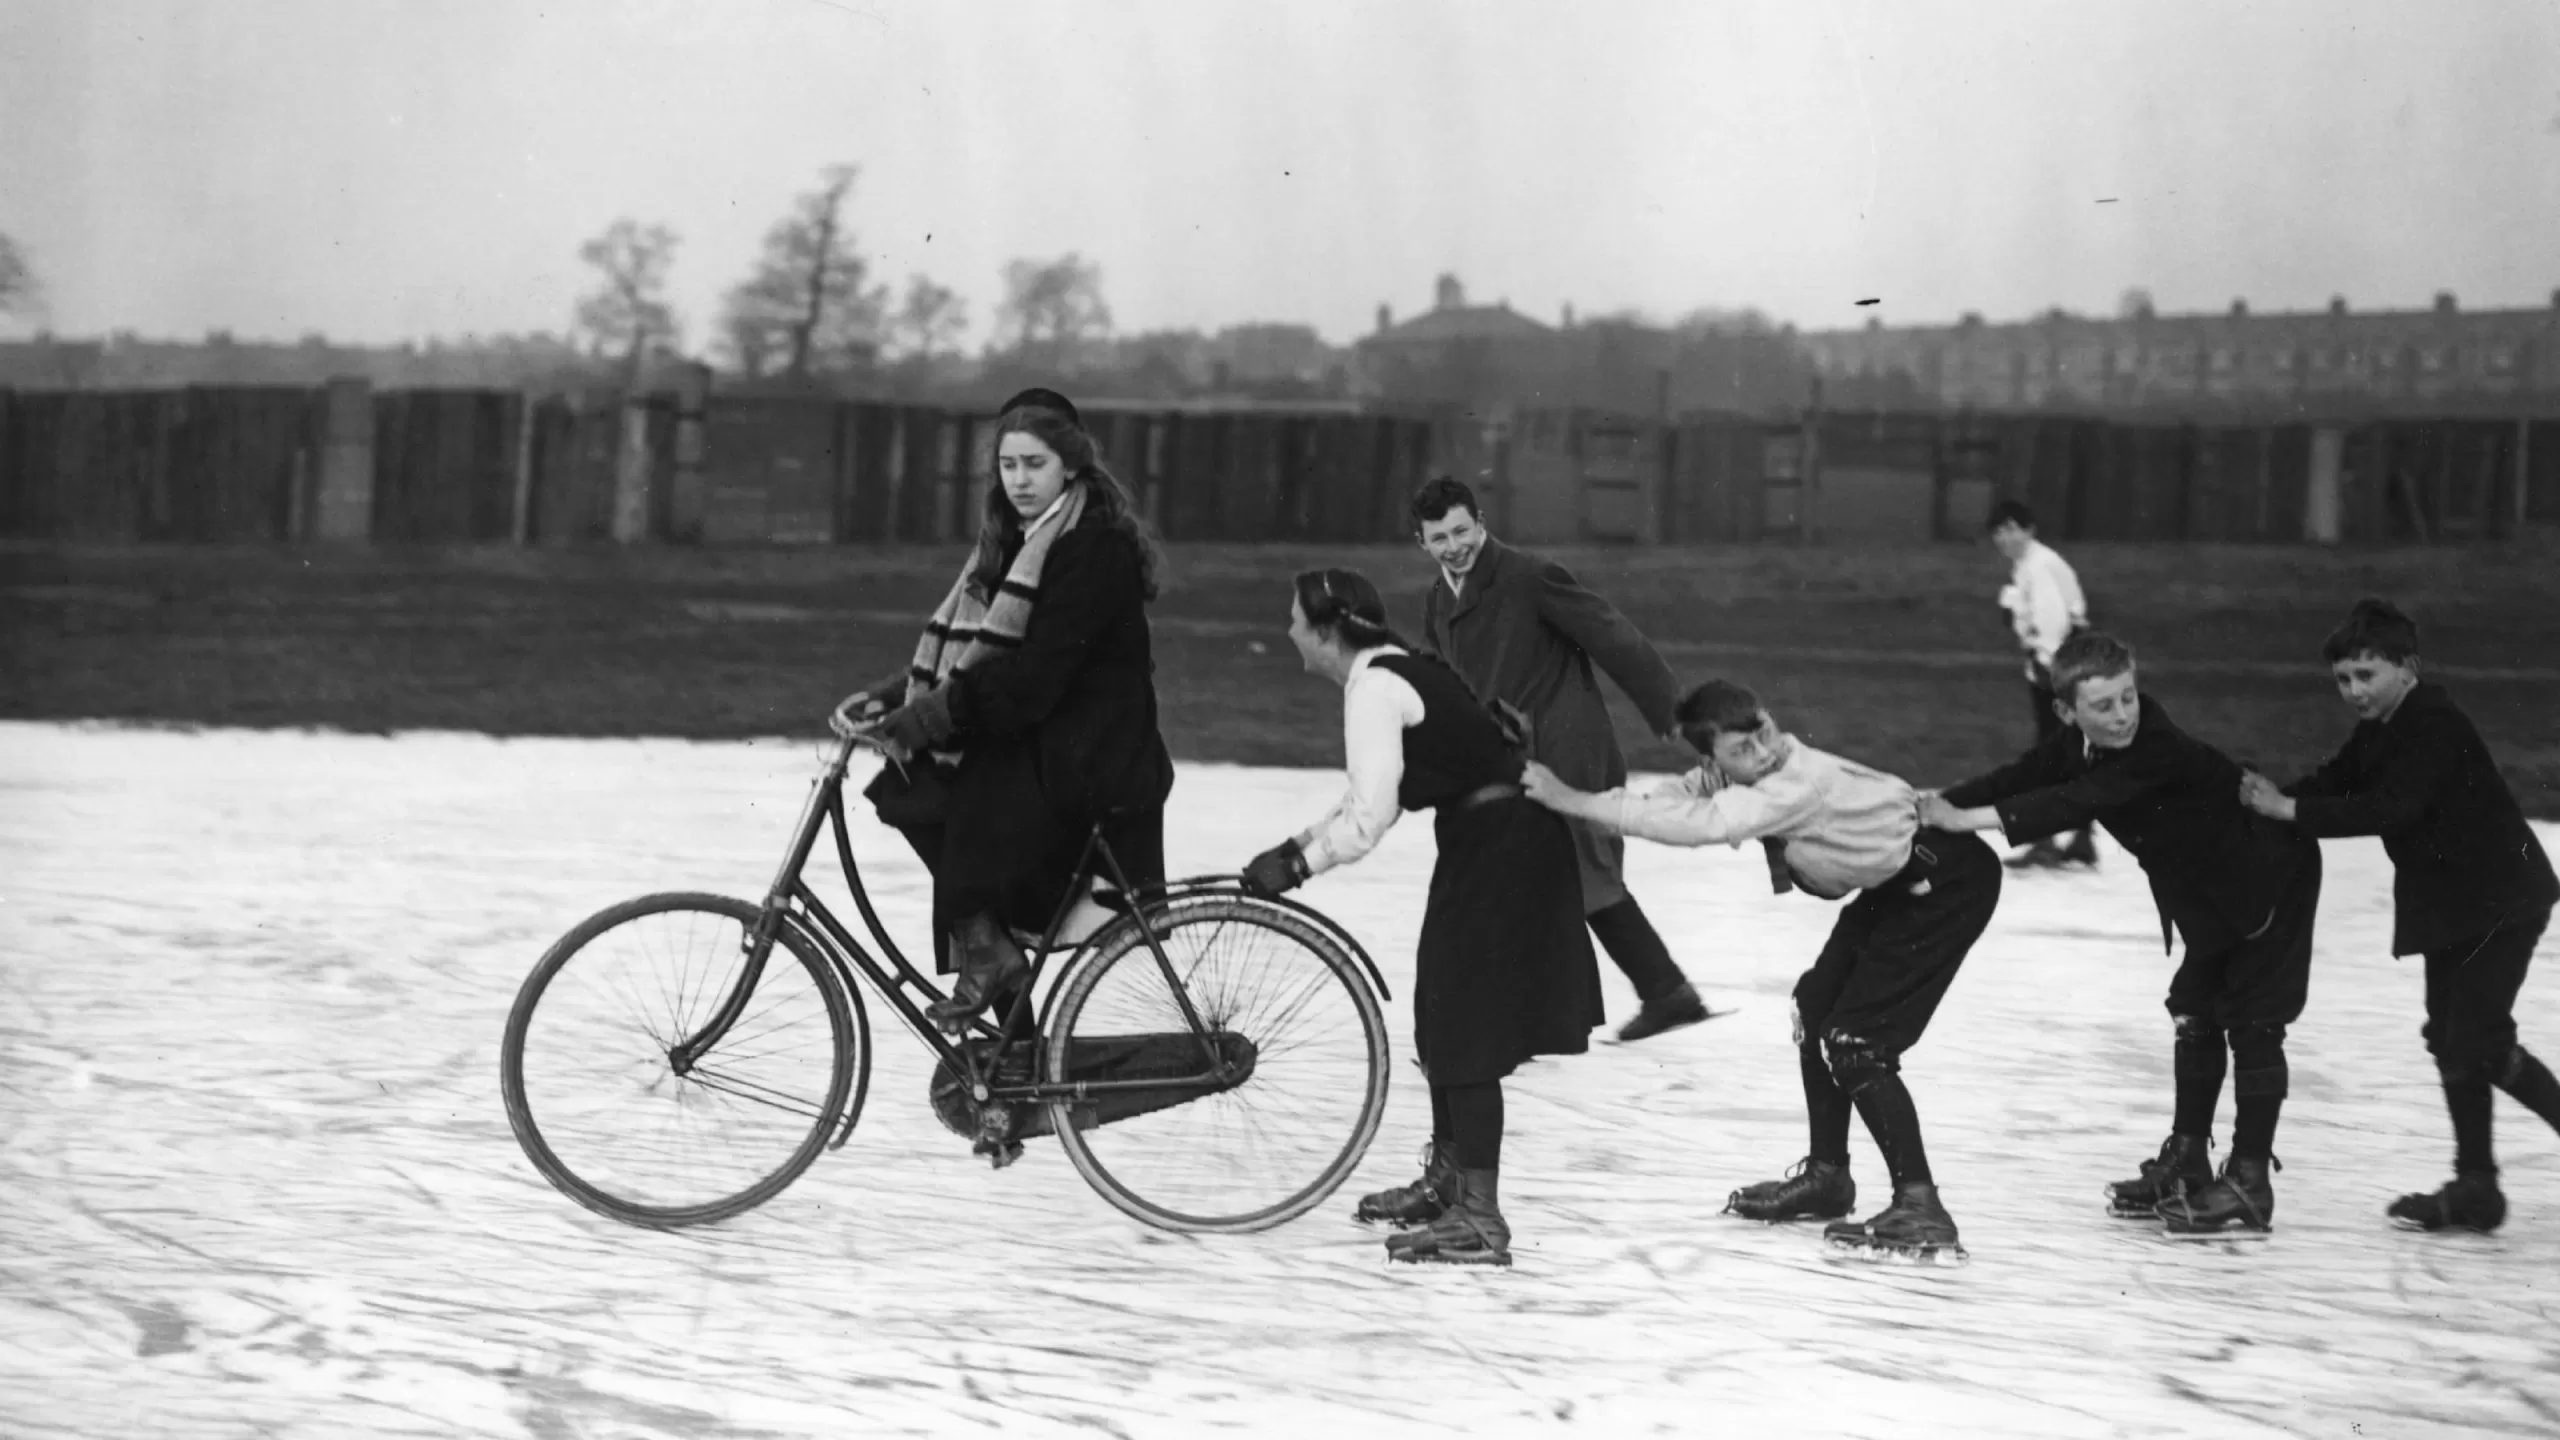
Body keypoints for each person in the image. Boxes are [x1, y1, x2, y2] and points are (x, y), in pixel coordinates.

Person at [1523, 680, 2000, 1265]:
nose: (1762, 752)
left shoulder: (1792, 783)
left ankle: (1921, 1206)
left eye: (1764, 734)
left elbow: (1700, 827)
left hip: (1946, 883)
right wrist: (1582, 803)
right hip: (1900, 882)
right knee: (1817, 1007)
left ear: (1769, 722)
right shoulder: (1731, 774)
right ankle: (1829, 1176)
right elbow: (1672, 802)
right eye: (1740, 750)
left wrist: (1568, 800)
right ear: (1713, 755)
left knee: (1855, 1044)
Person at [1239, 567, 1603, 1267]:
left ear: (1325, 632)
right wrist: (1293, 851)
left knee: (1466, 1023)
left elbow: (1372, 814)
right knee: (1442, 1008)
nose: (1288, 633)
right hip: (1494, 839)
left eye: (1295, 621)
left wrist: (1299, 867)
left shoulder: (1376, 688)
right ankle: (1449, 1182)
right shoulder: (1395, 671)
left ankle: (1480, 1217)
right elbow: (1369, 799)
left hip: (1505, 846)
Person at [1921, 630, 2322, 1238]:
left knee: (2254, 1019)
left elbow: (2072, 804)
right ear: (2067, 711)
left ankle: (2248, 1180)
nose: (2121, 714)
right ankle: (2187, 1162)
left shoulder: (2156, 749)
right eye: (2103, 706)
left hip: (2270, 880)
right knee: (2195, 1009)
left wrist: (1965, 820)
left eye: (2128, 697)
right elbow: (2025, 775)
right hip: (2212, 895)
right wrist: (1938, 803)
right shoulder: (2079, 744)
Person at [857, 388, 1174, 1038]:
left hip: (1093, 759)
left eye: (1035, 464)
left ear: (1070, 467)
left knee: (956, 792)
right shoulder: (1015, 543)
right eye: (1009, 466)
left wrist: (935, 716)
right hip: (1051, 740)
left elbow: (1032, 677)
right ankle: (1010, 1025)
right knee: (907, 790)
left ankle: (998, 975)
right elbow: (971, 658)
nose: (1021, 480)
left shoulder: (1092, 547)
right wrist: (896, 697)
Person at [2239, 598, 2560, 1233]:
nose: (2354, 691)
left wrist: (2289, 813)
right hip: (2454, 907)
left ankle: (2477, 1182)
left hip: (2503, 900)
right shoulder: (2382, 728)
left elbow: (2391, 808)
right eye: (2343, 680)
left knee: (2476, 1040)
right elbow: (2337, 780)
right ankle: (2476, 1186)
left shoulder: (2434, 723)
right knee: (2452, 1039)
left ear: (2407, 669)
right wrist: (2264, 803)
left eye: (2367, 675)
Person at [1409, 475, 1736, 1042]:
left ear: (1482, 524)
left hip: (1566, 749)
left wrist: (1673, 714)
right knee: (1516, 885)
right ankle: (1653, 993)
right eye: (1439, 538)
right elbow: (1445, 686)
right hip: (1508, 760)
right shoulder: (1438, 603)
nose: (1454, 546)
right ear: (1422, 544)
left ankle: (1660, 993)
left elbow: (1613, 637)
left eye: (1462, 530)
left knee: (1584, 875)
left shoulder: (1527, 576)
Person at [1986, 499, 2097, 870]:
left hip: (2058, 668)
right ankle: (2080, 836)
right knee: (2067, 751)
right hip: (2064, 666)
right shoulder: (2027, 567)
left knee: (2050, 754)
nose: (2005, 537)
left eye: (2013, 528)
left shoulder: (2039, 566)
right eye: (1999, 531)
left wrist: (2045, 663)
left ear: (2030, 530)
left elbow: (2053, 620)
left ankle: (2050, 838)